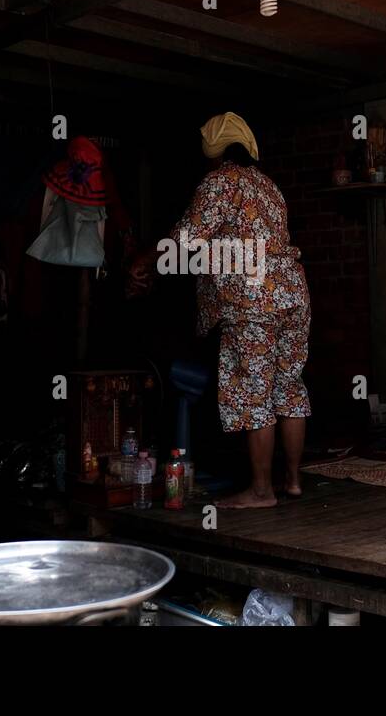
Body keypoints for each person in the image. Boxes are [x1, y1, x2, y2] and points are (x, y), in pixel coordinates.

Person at [128, 112, 311, 509]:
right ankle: (292, 482)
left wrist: (144, 259)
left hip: (253, 300)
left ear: (214, 150)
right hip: (293, 295)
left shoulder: (220, 182)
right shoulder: (268, 186)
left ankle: (261, 492)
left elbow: (185, 239)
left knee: (253, 393)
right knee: (290, 389)